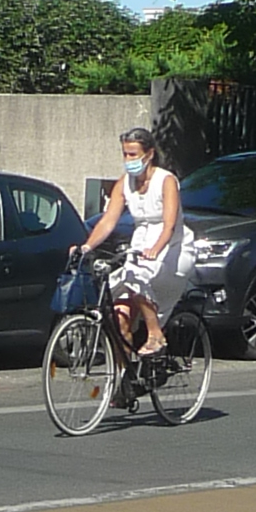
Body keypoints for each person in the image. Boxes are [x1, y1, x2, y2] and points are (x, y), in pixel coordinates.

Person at [78, 120, 184, 385]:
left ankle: (155, 334)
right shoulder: (124, 183)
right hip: (141, 244)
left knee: (136, 278)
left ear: (149, 154)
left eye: (133, 154)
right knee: (119, 315)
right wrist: (87, 246)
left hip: (173, 250)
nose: (128, 160)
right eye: (125, 154)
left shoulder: (166, 181)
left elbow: (170, 224)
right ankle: (125, 380)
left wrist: (155, 249)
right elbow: (108, 220)